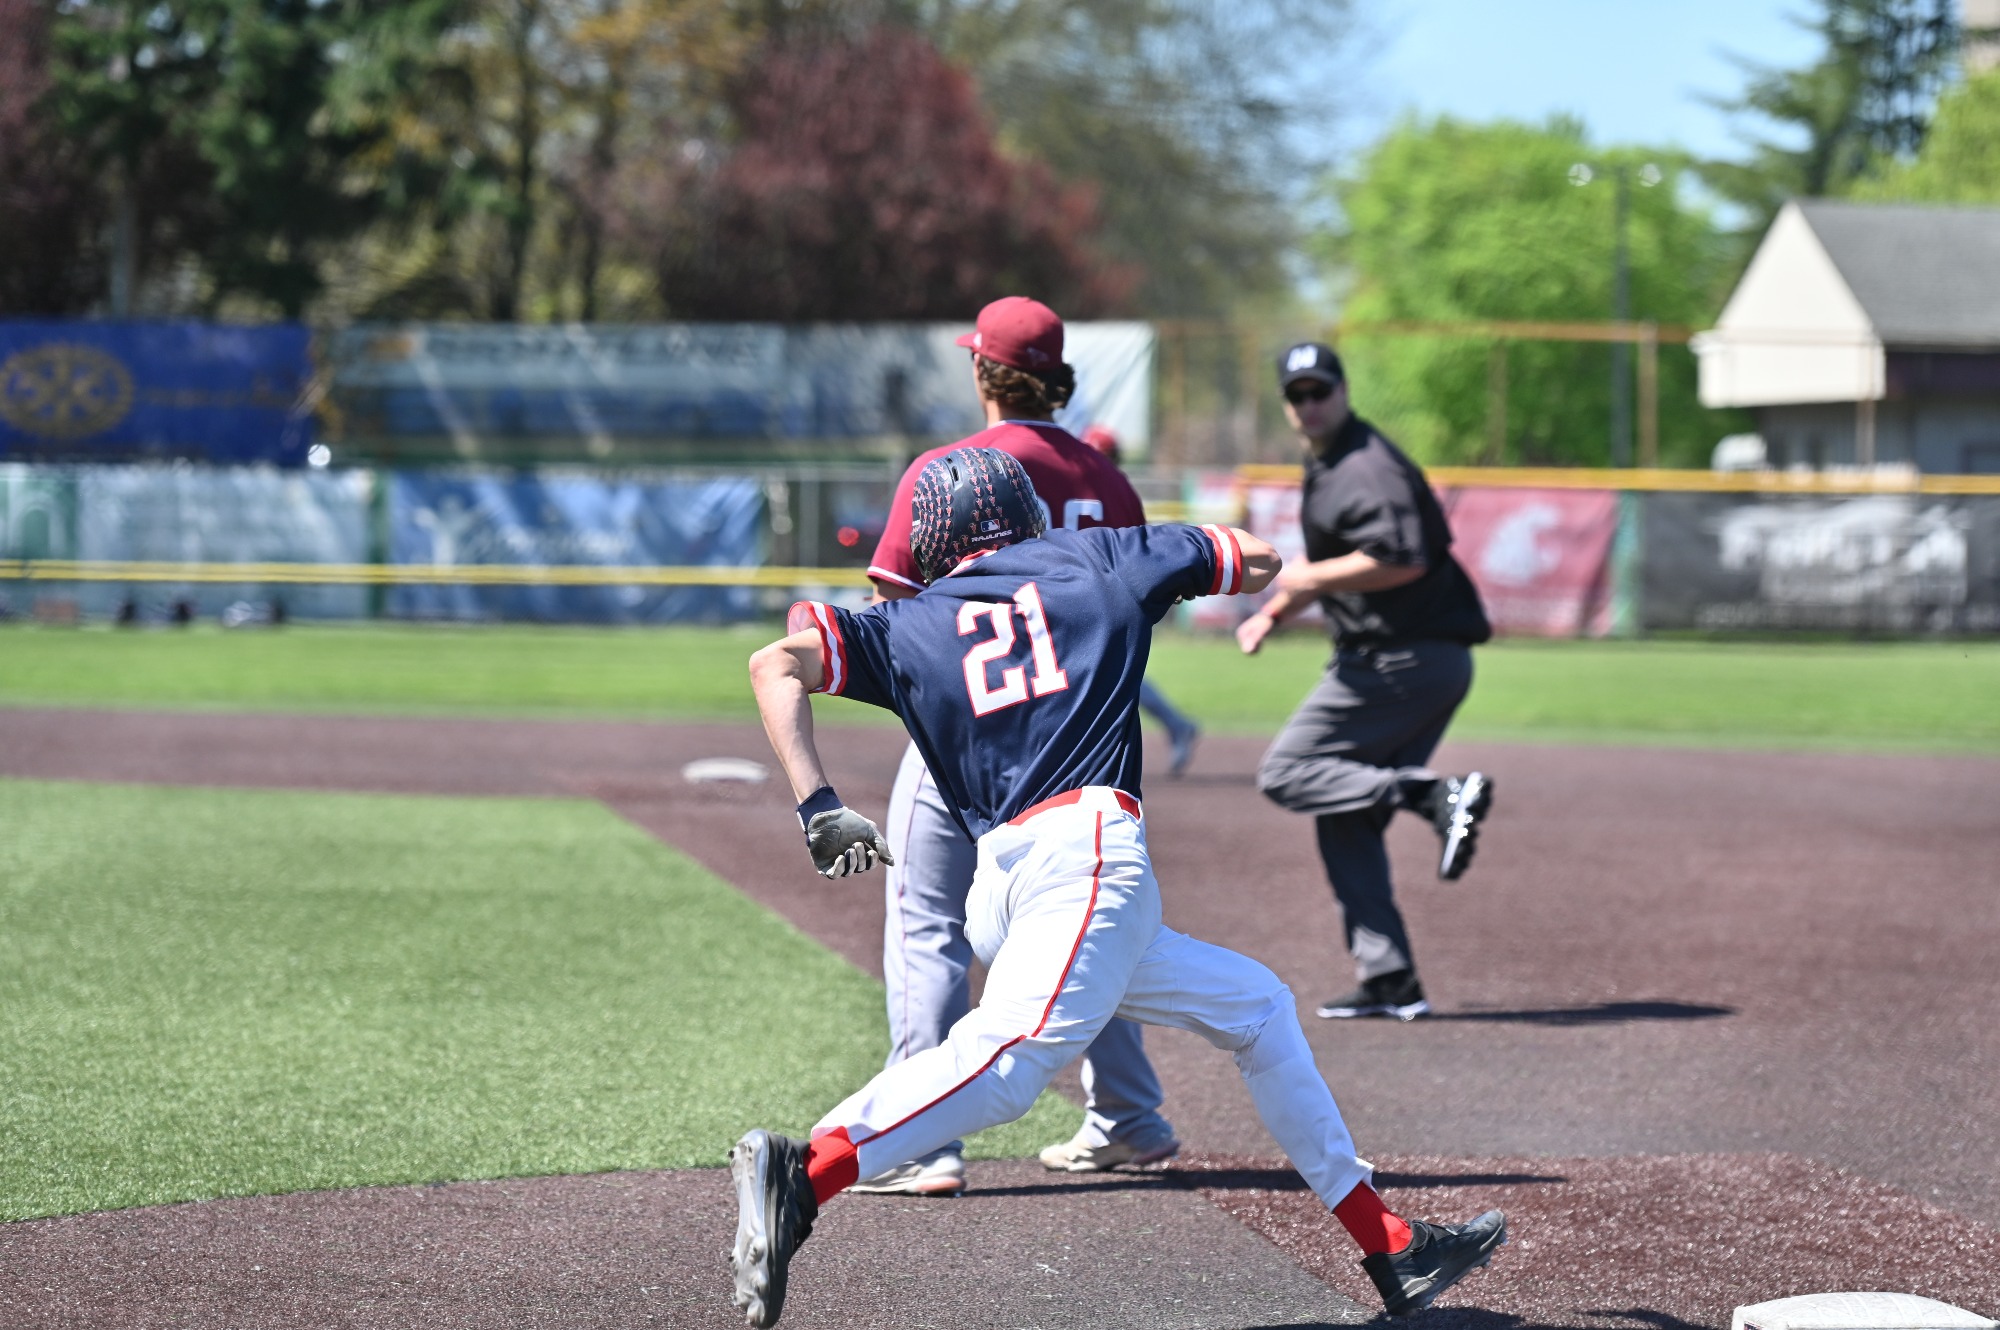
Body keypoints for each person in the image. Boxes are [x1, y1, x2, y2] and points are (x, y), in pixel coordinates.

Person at [728, 446, 1507, 1328]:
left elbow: (774, 665)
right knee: (1013, 1065)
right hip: (1087, 858)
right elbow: (1256, 559)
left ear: (935, 540)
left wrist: (820, 805)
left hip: (1009, 887)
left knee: (1258, 1007)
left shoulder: (907, 624)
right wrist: (1165, 558)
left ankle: (1389, 1242)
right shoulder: (1098, 556)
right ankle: (808, 1172)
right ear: (1027, 514)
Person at [855, 297, 1178, 1195]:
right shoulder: (1109, 482)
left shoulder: (952, 469)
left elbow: (897, 619)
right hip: (1082, 742)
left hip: (976, 725)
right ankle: (1130, 1114)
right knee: (1081, 922)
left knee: (927, 924)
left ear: (981, 369)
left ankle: (922, 1142)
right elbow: (1131, 609)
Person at [1236, 343, 1495, 1023]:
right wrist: (1276, 610)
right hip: (1416, 660)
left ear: (1345, 390)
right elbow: (1333, 566)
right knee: (1344, 818)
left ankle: (1431, 794)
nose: (1310, 403)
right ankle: (1390, 978)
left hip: (1402, 661)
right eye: (1298, 394)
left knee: (1289, 771)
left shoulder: (1365, 467)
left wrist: (1301, 579)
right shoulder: (1331, 461)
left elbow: (1400, 558)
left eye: (1321, 390)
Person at [1081, 424, 1201, 776]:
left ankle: (1174, 726)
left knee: (1110, 675)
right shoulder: (1092, 491)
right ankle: (1177, 724)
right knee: (1110, 675)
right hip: (1090, 597)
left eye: (1102, 455)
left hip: (1108, 599)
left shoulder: (1115, 495)